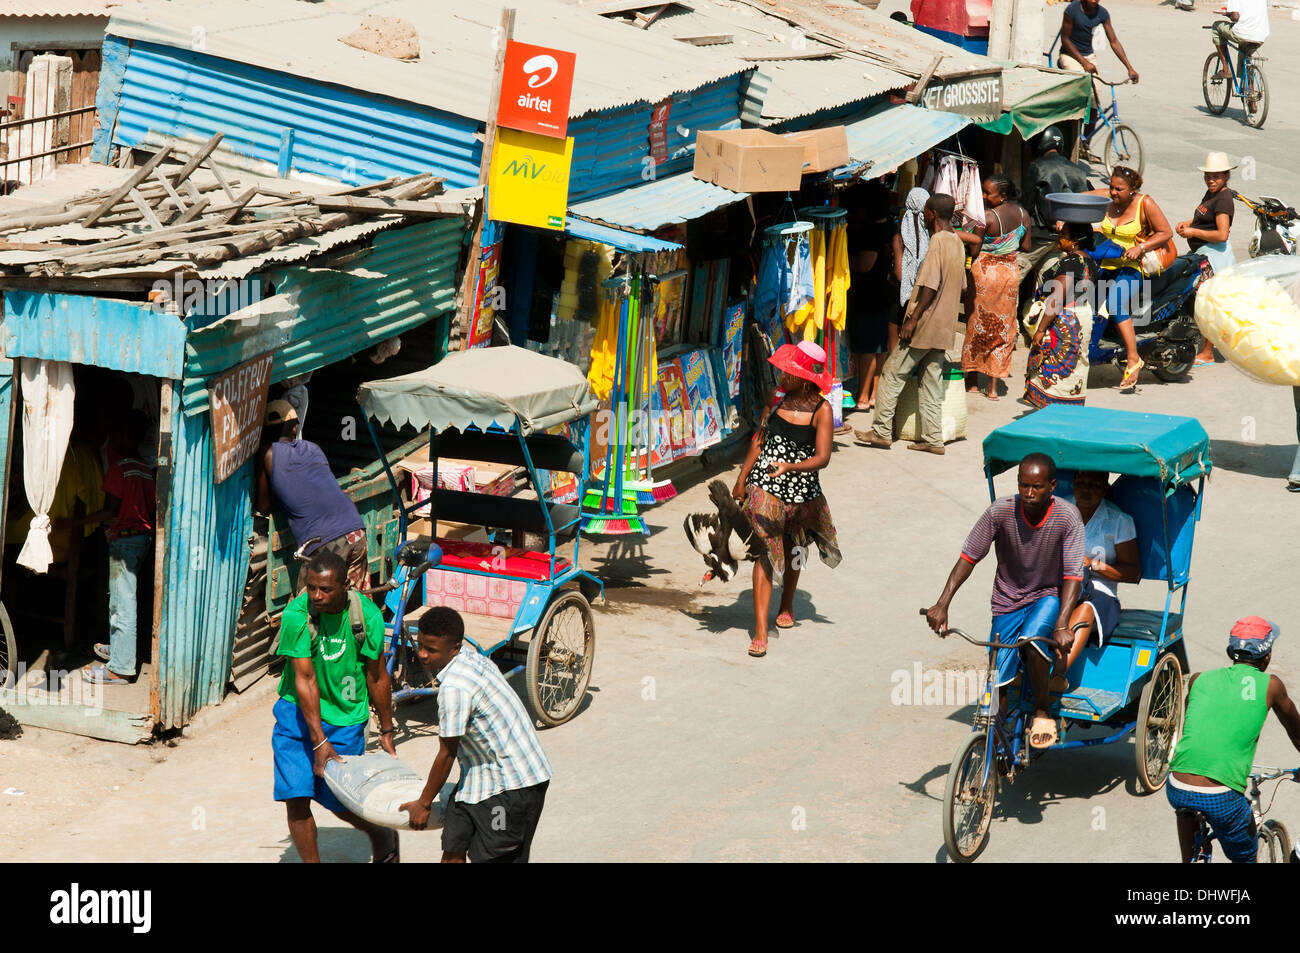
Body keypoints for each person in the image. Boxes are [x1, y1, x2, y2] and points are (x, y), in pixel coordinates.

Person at [924, 454, 1085, 749]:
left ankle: (1042, 710)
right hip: (1007, 598)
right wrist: (942, 603)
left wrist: (1062, 623)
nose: (1029, 493)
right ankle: (995, 744)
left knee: (1033, 642)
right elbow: (968, 557)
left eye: (1037, 487)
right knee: (997, 671)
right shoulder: (1000, 512)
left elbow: (1074, 575)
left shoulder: (1067, 516)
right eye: (1023, 485)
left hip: (1047, 595)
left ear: (1052, 486)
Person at [271, 549, 398, 863]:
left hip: (345, 719)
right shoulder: (296, 615)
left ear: (346, 585)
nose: (316, 595)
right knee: (296, 798)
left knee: (341, 801)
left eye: (325, 589)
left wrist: (386, 728)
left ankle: (381, 832)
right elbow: (305, 678)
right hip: (296, 716)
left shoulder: (367, 616)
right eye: (311, 587)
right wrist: (318, 740)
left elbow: (377, 675)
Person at [401, 607, 552, 863]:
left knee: (494, 857)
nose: (423, 655)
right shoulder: (471, 658)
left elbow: (447, 753)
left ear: (454, 648)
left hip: (513, 786)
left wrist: (424, 802)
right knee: (453, 849)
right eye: (420, 646)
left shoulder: (454, 688)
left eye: (432, 650)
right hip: (477, 779)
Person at [730, 341, 839, 658]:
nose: (782, 376)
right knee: (764, 552)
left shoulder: (822, 410)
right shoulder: (775, 399)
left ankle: (787, 603)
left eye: (789, 372)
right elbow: (758, 441)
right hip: (766, 486)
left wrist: (791, 466)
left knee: (795, 548)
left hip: (802, 490)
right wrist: (741, 478)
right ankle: (761, 631)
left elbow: (823, 458)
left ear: (805, 378)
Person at [1167, 617, 1300, 863]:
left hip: (1177, 784)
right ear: (1267, 655)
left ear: (1231, 651)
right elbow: (1296, 731)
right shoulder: (1271, 686)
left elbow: (1194, 730)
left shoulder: (1198, 679)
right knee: (1245, 857)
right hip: (1220, 794)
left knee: (1191, 846)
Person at [858, 193, 965, 454]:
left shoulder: (938, 241)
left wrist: (913, 318)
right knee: (930, 383)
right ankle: (933, 439)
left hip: (925, 324)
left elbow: (929, 283)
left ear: (930, 213)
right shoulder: (957, 242)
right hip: (944, 327)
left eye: (926, 213)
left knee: (892, 373)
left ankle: (881, 431)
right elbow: (961, 284)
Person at [74, 411, 156, 686]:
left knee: (122, 604)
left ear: (122, 437)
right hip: (141, 540)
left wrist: (73, 523)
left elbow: (109, 510)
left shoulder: (120, 468)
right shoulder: (144, 468)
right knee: (124, 599)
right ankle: (121, 649)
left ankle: (120, 668)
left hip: (125, 541)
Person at [257, 400, 369, 593]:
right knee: (355, 602)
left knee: (309, 610)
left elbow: (264, 505)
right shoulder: (313, 447)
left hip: (325, 543)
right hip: (356, 531)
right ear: (295, 428)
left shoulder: (267, 453)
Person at [1095, 166, 1173, 391]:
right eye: (1111, 186)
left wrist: (1141, 247)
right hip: (1104, 263)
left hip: (1132, 266)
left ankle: (1133, 357)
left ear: (1133, 190)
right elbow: (1079, 200)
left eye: (1119, 189)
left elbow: (1166, 233)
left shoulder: (1144, 203)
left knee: (1115, 304)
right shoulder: (1107, 197)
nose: (1113, 192)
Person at [1059, 471, 1140, 678]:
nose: (1086, 490)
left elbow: (1133, 572)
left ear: (1105, 488)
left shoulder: (1119, 521)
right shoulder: (1059, 510)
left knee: (1086, 608)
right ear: (1073, 485)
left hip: (1100, 591)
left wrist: (1094, 565)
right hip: (1062, 584)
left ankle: (1056, 676)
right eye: (1081, 483)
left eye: (1094, 485)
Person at [959, 174, 1031, 401]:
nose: (983, 195)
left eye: (987, 192)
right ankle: (992, 387)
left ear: (1003, 196)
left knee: (976, 323)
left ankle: (971, 381)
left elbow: (973, 250)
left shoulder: (987, 217)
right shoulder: (1023, 214)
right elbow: (1026, 246)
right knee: (1003, 327)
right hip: (1009, 275)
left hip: (984, 276)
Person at [1024, 221, 1100, 407]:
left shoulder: (1070, 261)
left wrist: (1041, 329)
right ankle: (1070, 408)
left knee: (1052, 368)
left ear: (1074, 240)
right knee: (1076, 366)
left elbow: (1057, 297)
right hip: (1083, 317)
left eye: (1064, 234)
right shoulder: (1091, 262)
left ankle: (1051, 411)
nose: (1060, 236)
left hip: (1063, 319)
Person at [1176, 152, 1237, 367]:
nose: (1211, 180)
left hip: (1214, 257)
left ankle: (1208, 352)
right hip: (1203, 253)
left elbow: (1222, 234)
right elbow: (1203, 218)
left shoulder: (1223, 200)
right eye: (1208, 176)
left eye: (1217, 176)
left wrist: (1192, 232)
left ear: (1226, 176)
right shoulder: (1212, 194)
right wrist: (1188, 223)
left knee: (1206, 304)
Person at [846, 181, 898, 412]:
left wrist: (844, 259)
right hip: (884, 294)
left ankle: (863, 397)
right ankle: (874, 395)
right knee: (880, 347)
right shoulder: (889, 225)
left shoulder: (869, 232)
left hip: (868, 295)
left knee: (867, 348)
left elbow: (864, 265)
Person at [1058, 0, 1140, 133]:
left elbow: (1114, 41)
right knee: (1080, 90)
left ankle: (1085, 146)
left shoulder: (1102, 13)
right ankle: (1071, 134)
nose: (1094, 0)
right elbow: (1065, 39)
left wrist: (1129, 68)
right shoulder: (1072, 10)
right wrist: (1084, 62)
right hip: (1070, 55)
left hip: (1089, 56)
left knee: (1094, 99)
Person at [1024, 126, 1091, 230]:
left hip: (1045, 230)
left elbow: (1027, 203)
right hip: (1075, 229)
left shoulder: (1037, 167)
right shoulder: (1079, 170)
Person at [892, 186, 931, 356]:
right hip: (923, 297)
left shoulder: (900, 236)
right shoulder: (934, 235)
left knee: (894, 349)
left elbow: (899, 275)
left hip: (899, 298)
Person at [1210, 0, 1269, 79]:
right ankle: (1249, 88)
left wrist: (1227, 14)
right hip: (1261, 35)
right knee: (1245, 53)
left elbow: (1235, 17)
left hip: (1243, 33)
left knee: (1216, 26)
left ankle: (1225, 69)